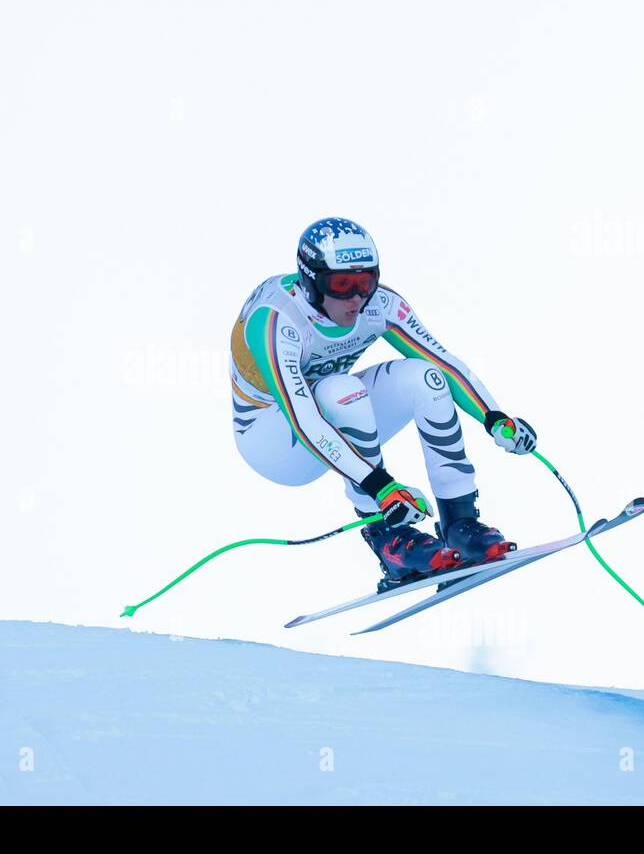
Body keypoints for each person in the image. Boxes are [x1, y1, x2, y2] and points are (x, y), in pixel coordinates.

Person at [229, 217, 538, 592]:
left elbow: (443, 361)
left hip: (329, 414)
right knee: (341, 390)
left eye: (366, 282)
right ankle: (388, 539)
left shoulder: (381, 305)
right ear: (311, 281)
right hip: (272, 438)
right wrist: (380, 486)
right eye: (342, 285)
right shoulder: (277, 320)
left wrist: (494, 418)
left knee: (426, 378)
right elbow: (302, 417)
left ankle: (460, 524)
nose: (356, 299)